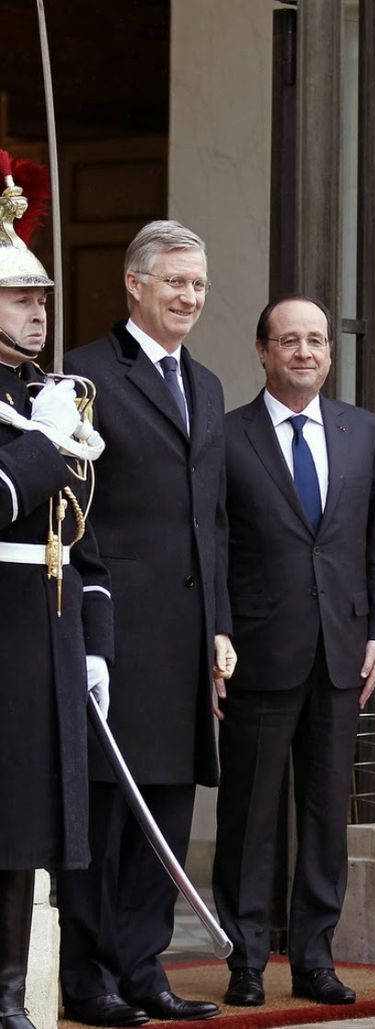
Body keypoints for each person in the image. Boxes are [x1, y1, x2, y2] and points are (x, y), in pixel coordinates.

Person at [55, 220, 236, 1027]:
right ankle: (86, 976)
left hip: (189, 633)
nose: (190, 297)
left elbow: (215, 521)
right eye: (176, 283)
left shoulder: (207, 386)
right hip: (115, 629)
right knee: (104, 805)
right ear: (136, 284)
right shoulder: (86, 377)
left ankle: (144, 967)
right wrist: (87, 628)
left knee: (165, 804)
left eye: (198, 284)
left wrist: (222, 625)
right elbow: (74, 512)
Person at [212, 295, 375, 1008]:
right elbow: (216, 544)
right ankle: (245, 956)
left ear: (330, 351)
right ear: (262, 350)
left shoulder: (365, 431)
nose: (304, 352)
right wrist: (219, 635)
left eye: (316, 341)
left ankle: (316, 957)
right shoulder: (226, 436)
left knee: (326, 815)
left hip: (342, 654)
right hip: (259, 652)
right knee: (250, 813)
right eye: (288, 341)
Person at [0, 168, 112, 1029]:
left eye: (41, 299)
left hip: (50, 622)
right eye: (17, 297)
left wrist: (96, 640)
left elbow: (84, 535)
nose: (37, 313)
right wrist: (37, 446)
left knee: (28, 827)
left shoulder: (54, 396)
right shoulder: (31, 412)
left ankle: (8, 997)